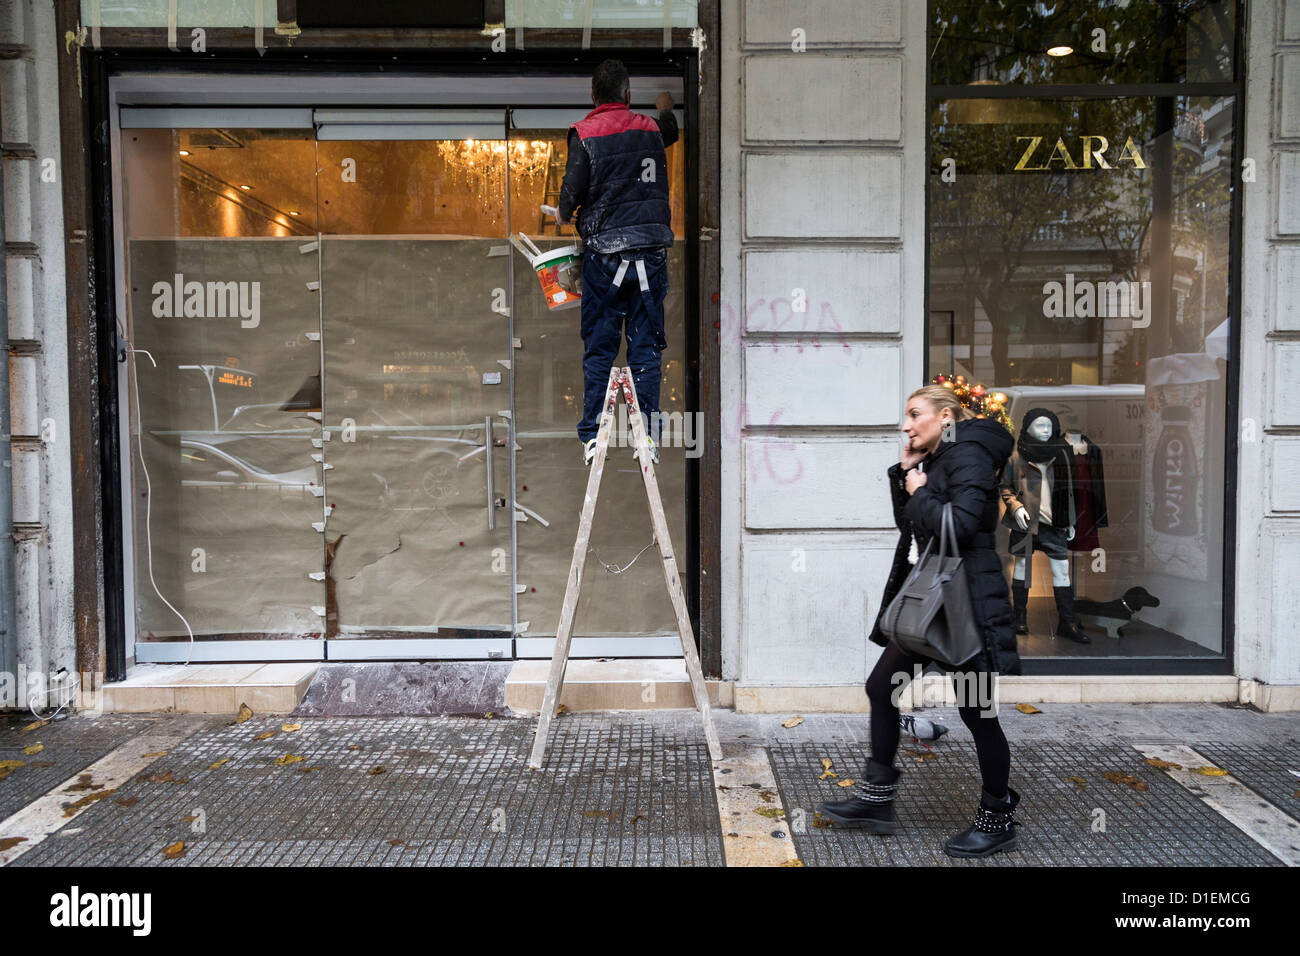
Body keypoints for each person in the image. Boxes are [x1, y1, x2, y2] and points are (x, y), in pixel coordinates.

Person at [819, 385, 1024, 858]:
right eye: (906, 417)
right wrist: (910, 473)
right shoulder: (942, 456)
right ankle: (876, 800)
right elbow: (913, 523)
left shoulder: (968, 454)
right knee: (881, 687)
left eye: (915, 415)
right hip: (931, 606)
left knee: (978, 714)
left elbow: (959, 528)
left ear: (946, 416)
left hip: (963, 608)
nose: (907, 425)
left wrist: (922, 489)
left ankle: (997, 818)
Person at [556, 59, 678, 466]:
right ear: (626, 95)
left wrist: (560, 215)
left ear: (594, 96)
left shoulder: (585, 134)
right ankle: (647, 437)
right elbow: (671, 130)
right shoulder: (648, 128)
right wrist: (664, 106)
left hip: (606, 261)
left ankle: (593, 436)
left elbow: (569, 197)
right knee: (645, 348)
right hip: (650, 256)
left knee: (600, 348)